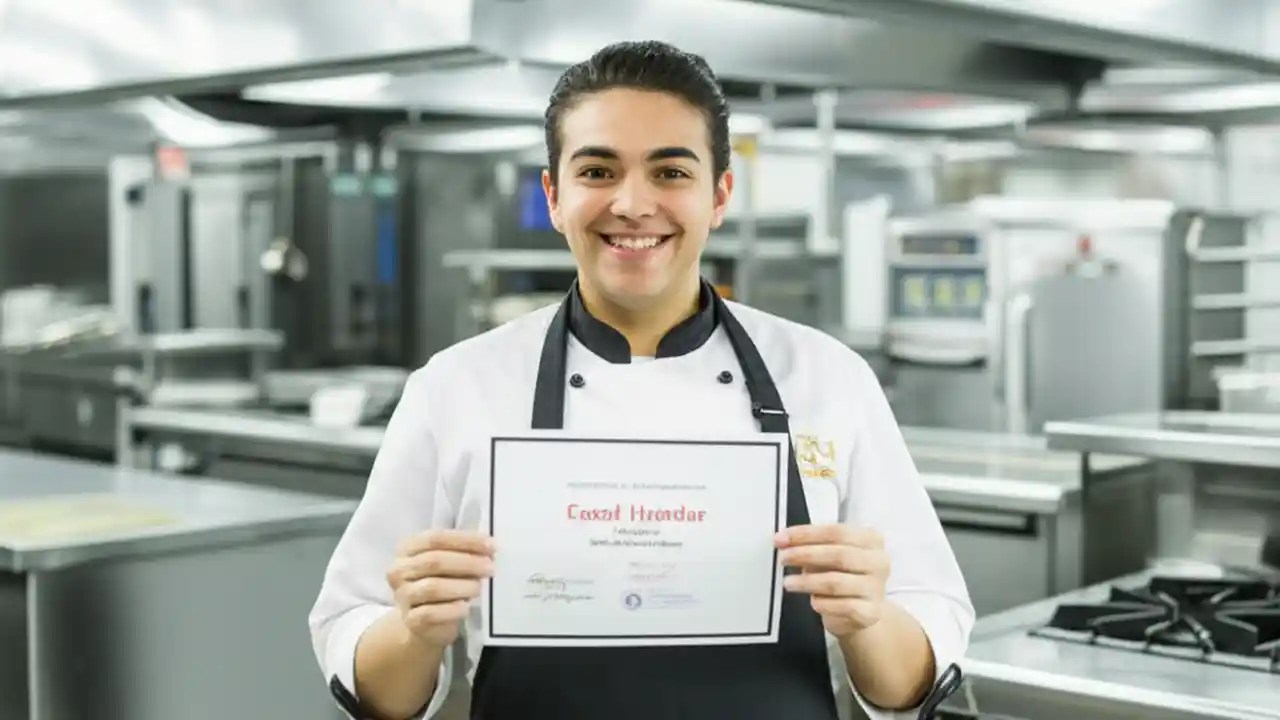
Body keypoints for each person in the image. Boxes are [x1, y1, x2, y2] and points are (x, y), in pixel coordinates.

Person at [309, 40, 973, 720]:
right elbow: (359, 647)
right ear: (555, 195)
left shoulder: (830, 380)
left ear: (718, 194)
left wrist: (867, 620)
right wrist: (414, 631)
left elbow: (917, 659)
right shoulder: (455, 389)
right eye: (597, 171)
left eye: (670, 173)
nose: (632, 203)